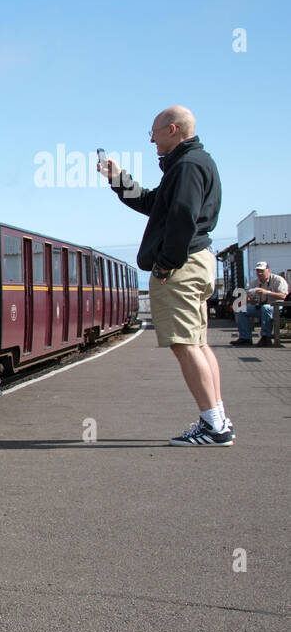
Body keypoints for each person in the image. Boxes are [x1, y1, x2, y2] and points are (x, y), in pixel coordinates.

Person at [98, 105, 231, 446]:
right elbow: (153, 203)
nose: (151, 140)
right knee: (198, 342)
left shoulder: (186, 166)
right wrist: (118, 180)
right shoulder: (194, 163)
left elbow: (183, 217)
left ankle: (213, 426)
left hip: (182, 265)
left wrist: (166, 264)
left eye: (153, 133)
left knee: (185, 345)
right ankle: (217, 418)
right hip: (198, 260)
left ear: (172, 129)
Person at [231, 261, 288, 347]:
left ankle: (266, 337)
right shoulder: (255, 283)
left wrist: (267, 293)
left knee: (266, 308)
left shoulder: (278, 280)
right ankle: (245, 338)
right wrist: (247, 298)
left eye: (262, 271)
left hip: (277, 308)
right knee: (242, 309)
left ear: (268, 270)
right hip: (261, 306)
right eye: (258, 271)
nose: (259, 273)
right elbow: (251, 299)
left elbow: (284, 296)